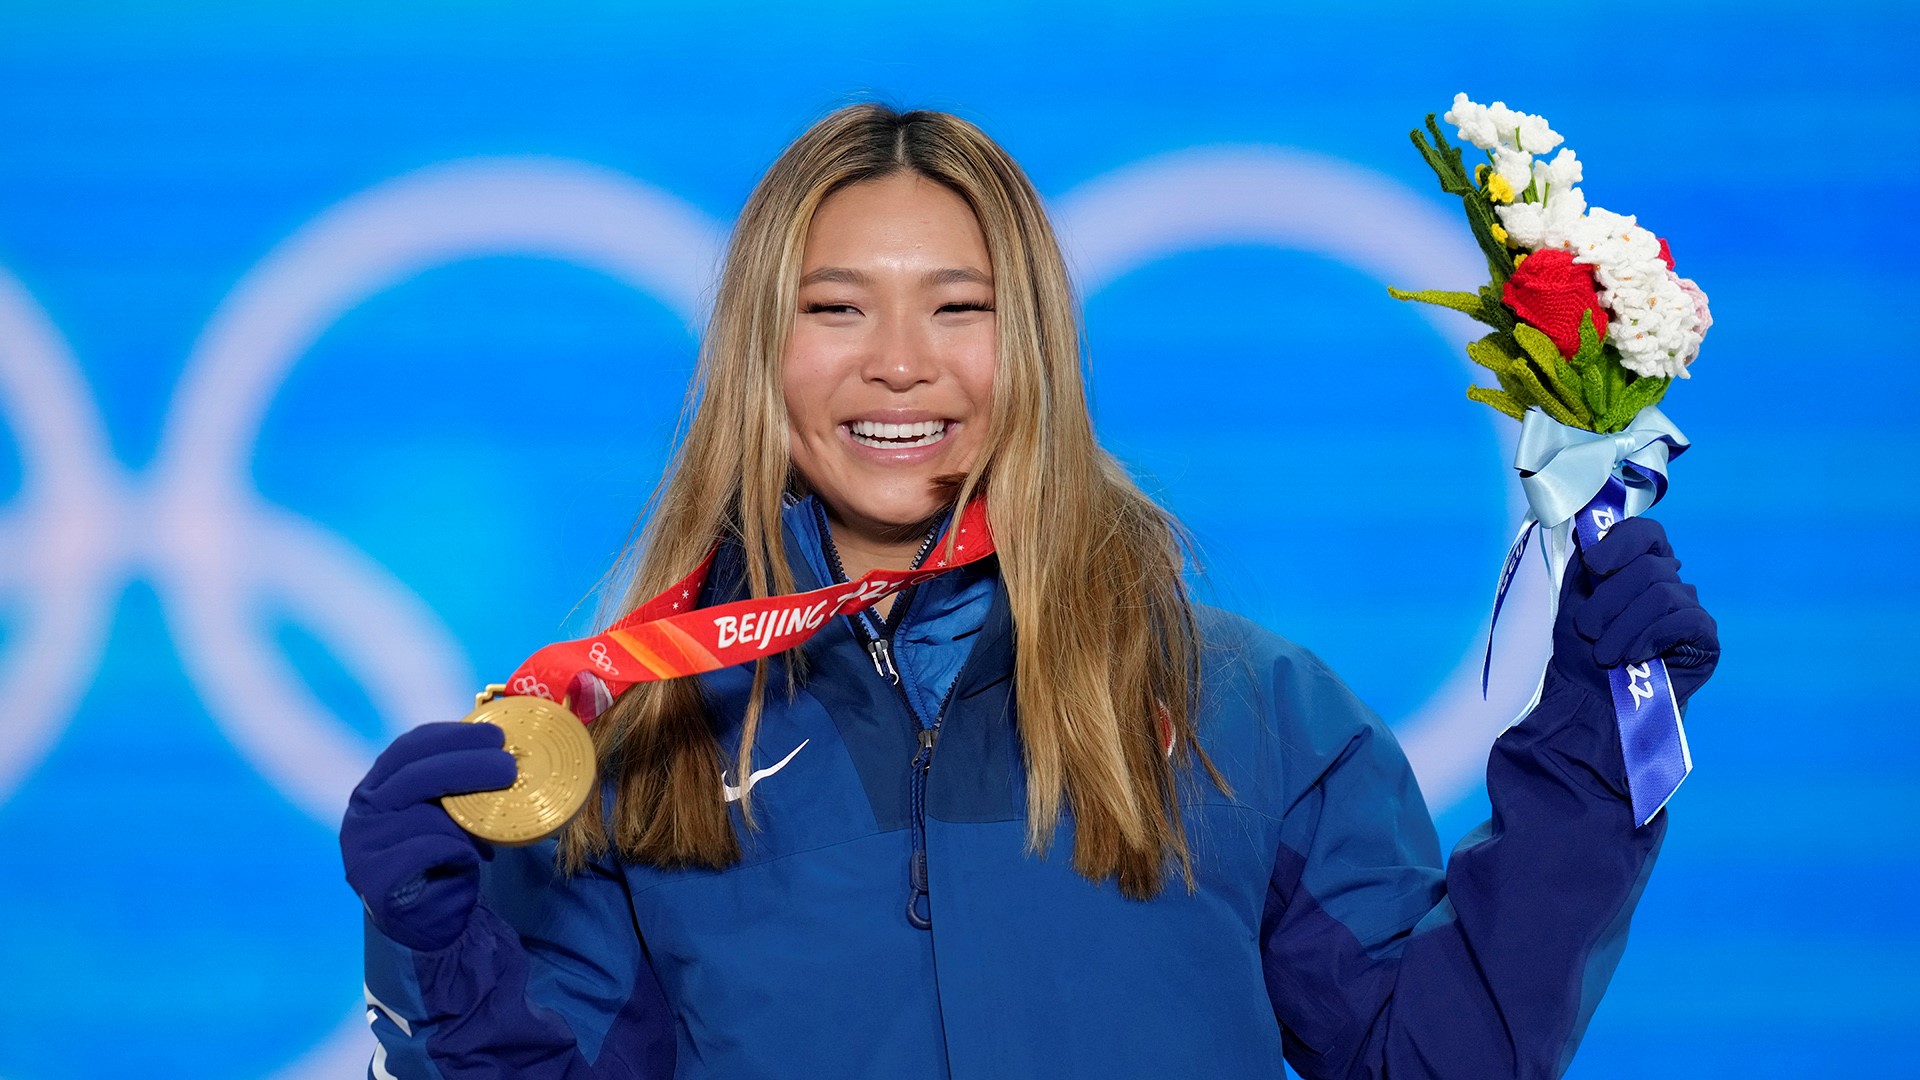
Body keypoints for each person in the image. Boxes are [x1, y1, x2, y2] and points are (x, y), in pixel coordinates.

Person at [342, 104, 1719, 1079]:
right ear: (763, 357)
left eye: (959, 306)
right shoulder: (647, 737)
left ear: (1037, 349)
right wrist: (433, 949)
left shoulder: (1245, 708)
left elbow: (1441, 1062)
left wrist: (1596, 764)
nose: (899, 365)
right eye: (835, 309)